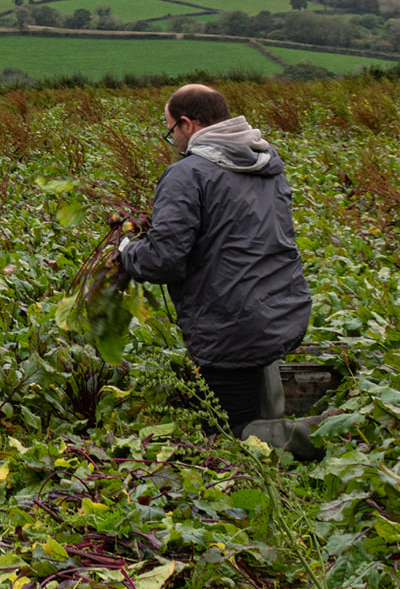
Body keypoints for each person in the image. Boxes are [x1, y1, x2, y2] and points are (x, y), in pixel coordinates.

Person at [116, 83, 321, 459]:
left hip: (229, 322)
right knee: (253, 396)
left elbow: (164, 260)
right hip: (280, 308)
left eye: (171, 130)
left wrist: (127, 251)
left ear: (187, 124)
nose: (173, 140)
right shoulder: (266, 160)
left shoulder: (186, 174)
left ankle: (310, 443)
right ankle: (284, 430)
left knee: (228, 436)